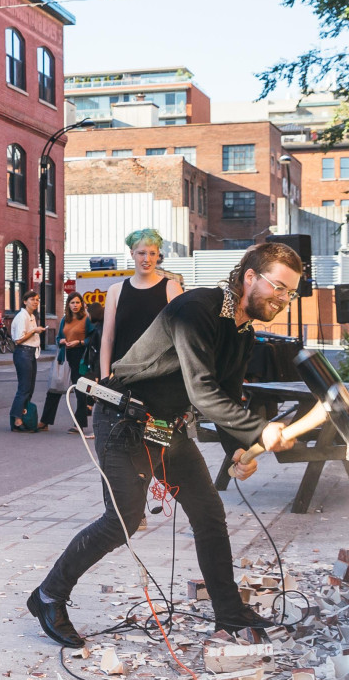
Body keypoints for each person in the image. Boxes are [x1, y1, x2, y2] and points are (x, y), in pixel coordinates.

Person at [30, 242, 315, 647]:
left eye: (291, 292)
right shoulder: (195, 310)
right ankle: (48, 595)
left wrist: (238, 447)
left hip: (166, 428)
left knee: (209, 514)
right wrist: (259, 431)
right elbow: (202, 391)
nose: (284, 299)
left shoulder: (242, 332)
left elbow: (227, 397)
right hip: (124, 420)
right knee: (123, 521)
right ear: (250, 277)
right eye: (279, 288)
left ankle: (229, 613)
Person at [99, 227, 185, 378]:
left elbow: (183, 335)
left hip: (162, 377)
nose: (147, 259)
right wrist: (105, 377)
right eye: (141, 253)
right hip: (123, 375)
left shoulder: (172, 287)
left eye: (152, 253)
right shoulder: (115, 291)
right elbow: (108, 338)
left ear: (158, 254)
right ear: (132, 253)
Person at [41, 293, 97, 429]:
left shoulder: (86, 319)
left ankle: (79, 424)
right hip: (65, 355)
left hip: (80, 357)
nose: (75, 305)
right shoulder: (65, 319)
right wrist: (60, 341)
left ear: (81, 304)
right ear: (68, 304)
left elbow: (94, 337)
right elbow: (59, 336)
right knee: (55, 387)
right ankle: (45, 422)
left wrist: (80, 342)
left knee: (80, 390)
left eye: (77, 302)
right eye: (72, 303)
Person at [8, 292, 46, 432]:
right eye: (32, 300)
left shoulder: (31, 316)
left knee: (29, 388)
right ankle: (17, 420)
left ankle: (21, 417)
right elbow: (18, 339)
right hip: (23, 352)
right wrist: (35, 331)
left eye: (37, 299)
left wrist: (35, 331)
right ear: (25, 301)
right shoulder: (21, 317)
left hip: (30, 353)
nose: (35, 302)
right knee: (24, 388)